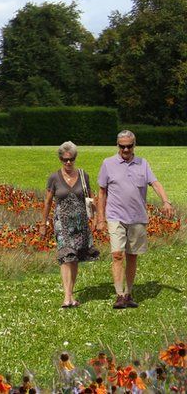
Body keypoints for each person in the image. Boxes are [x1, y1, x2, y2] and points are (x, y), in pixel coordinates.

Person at [96, 130, 175, 310]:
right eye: (122, 146)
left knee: (132, 256)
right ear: (117, 146)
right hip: (115, 216)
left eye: (129, 146)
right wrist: (100, 218)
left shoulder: (143, 163)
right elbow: (101, 192)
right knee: (117, 254)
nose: (125, 149)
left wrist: (166, 201)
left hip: (137, 217)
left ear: (134, 145)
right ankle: (119, 295)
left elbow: (155, 183)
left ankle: (129, 293)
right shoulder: (108, 164)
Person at [40, 142, 100, 308]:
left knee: (74, 258)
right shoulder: (54, 178)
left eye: (71, 159)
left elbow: (91, 199)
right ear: (60, 159)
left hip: (80, 223)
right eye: (65, 159)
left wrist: (95, 219)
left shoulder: (83, 175)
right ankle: (67, 297)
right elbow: (47, 202)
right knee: (66, 257)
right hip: (62, 224)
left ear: (75, 158)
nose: (68, 162)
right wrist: (43, 224)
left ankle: (71, 294)